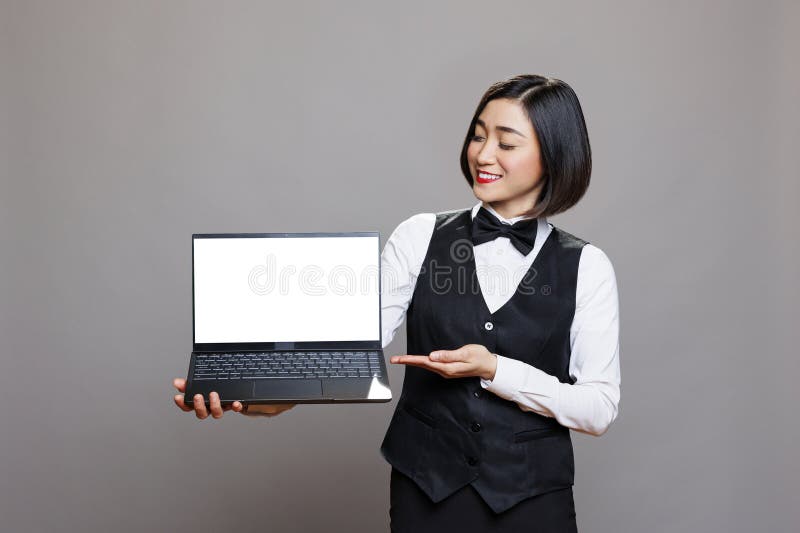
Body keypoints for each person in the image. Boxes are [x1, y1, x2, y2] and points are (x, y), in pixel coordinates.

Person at [172, 73, 620, 532]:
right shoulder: (419, 235)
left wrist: (496, 369)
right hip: (427, 490)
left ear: (554, 156)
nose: (482, 154)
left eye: (506, 144)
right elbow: (349, 349)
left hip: (534, 500)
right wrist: (259, 396)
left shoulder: (588, 265)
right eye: (478, 135)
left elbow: (599, 407)